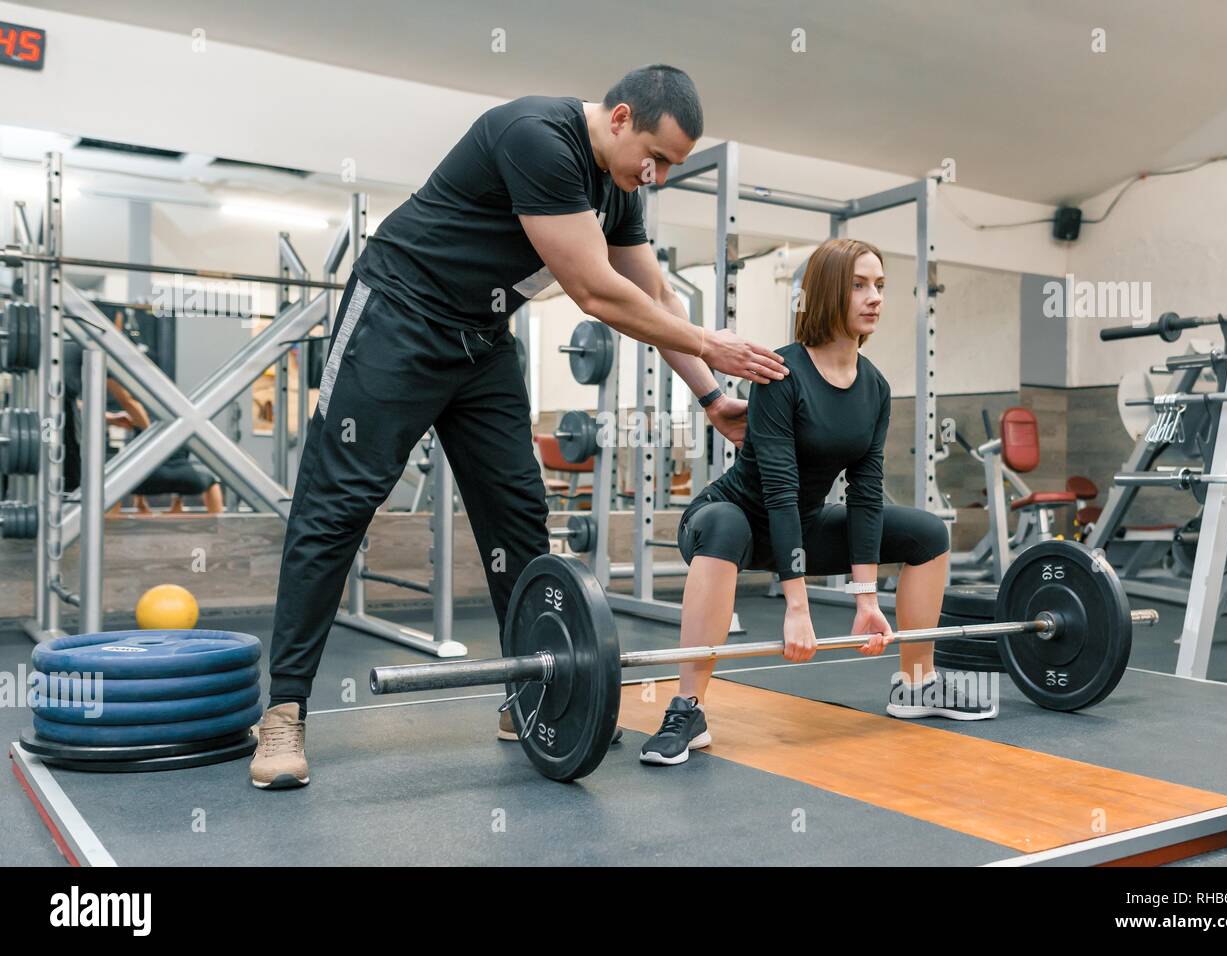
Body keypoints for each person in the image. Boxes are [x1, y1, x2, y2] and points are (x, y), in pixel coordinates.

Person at [251, 64, 788, 789]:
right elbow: (595, 292)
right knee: (337, 506)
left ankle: (528, 694)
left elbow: (653, 294)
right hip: (398, 318)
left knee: (518, 513)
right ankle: (284, 711)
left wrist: (711, 397)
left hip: (480, 341)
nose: (657, 177)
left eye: (671, 167)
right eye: (655, 158)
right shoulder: (538, 136)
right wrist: (711, 345)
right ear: (620, 118)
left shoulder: (620, 188)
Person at [640, 238, 995, 767]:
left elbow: (865, 494)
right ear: (827, 292)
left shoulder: (875, 388)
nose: (875, 297)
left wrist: (867, 601)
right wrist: (798, 608)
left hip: (802, 525)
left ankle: (918, 682)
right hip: (730, 518)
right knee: (726, 527)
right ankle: (688, 708)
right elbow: (779, 489)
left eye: (880, 285)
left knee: (927, 534)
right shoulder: (780, 372)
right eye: (859, 285)